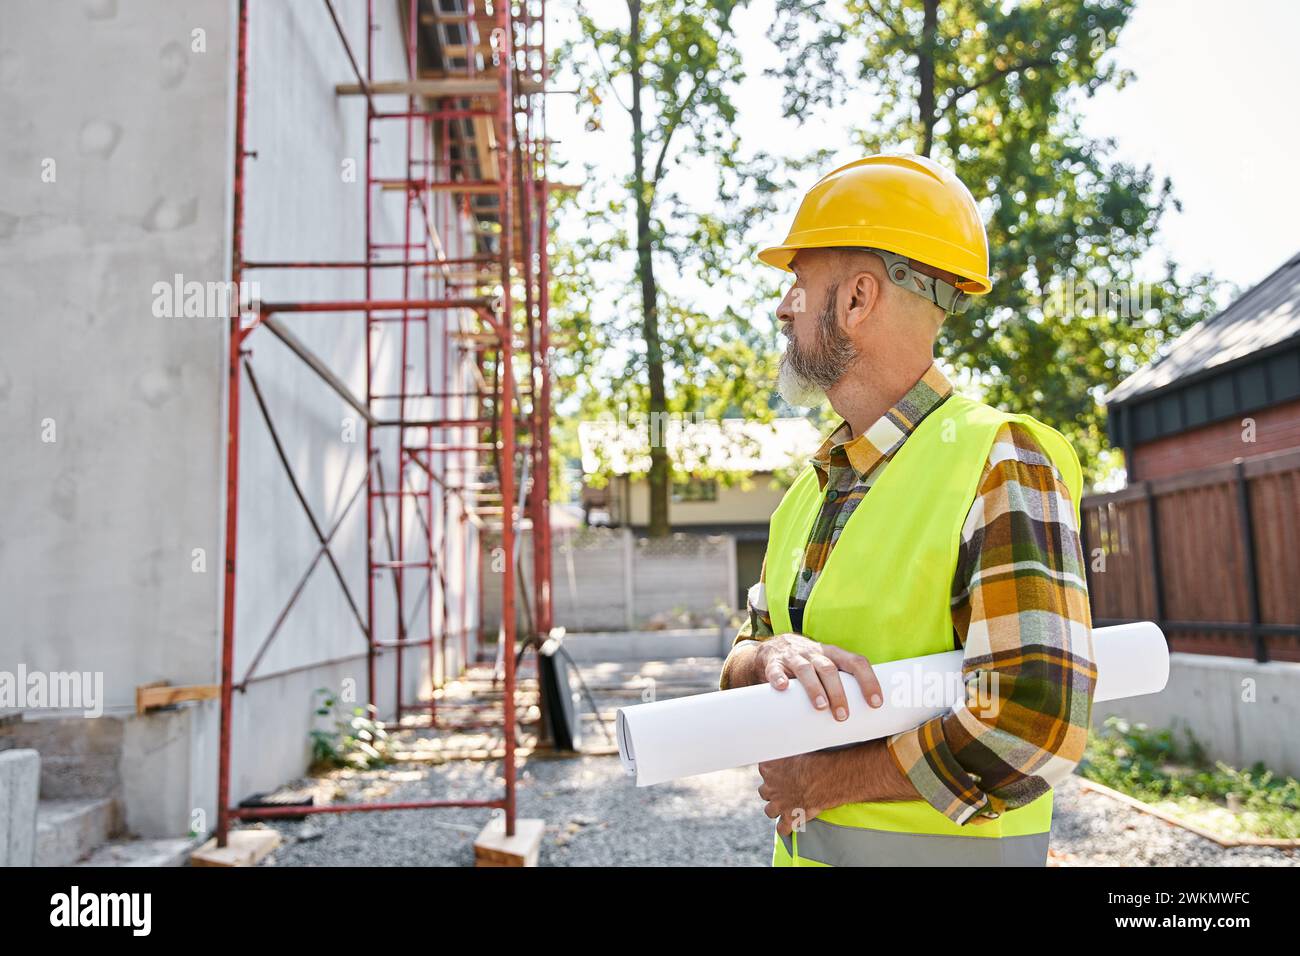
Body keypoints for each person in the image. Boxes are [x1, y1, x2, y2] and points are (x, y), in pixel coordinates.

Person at [718, 153, 1096, 866]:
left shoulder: (998, 460)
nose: (782, 307)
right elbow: (748, 646)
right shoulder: (809, 493)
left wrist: (825, 780)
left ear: (858, 299)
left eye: (800, 286)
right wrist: (764, 656)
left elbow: (1034, 722)